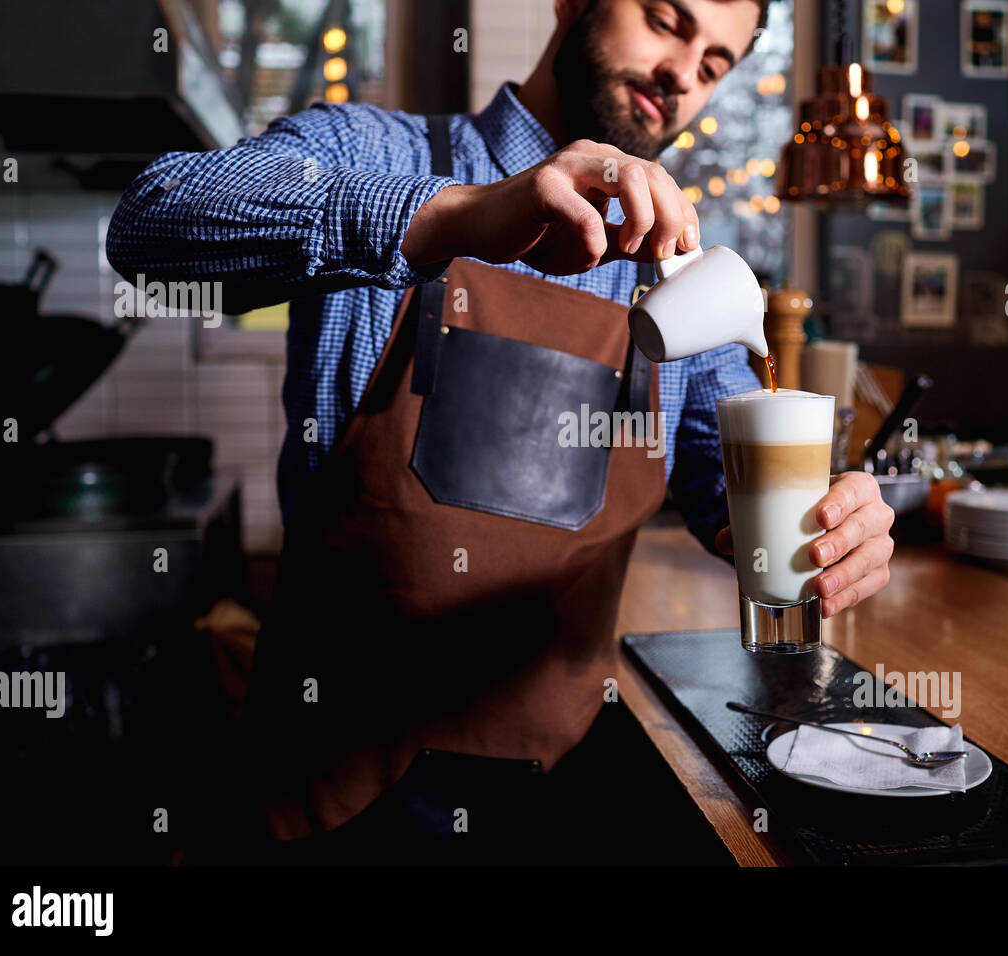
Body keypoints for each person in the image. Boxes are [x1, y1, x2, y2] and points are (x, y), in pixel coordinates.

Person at [107, 0, 895, 864]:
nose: (683, 73)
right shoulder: (377, 151)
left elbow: (734, 497)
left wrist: (833, 525)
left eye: (714, 65)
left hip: (560, 804)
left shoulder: (677, 277)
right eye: (668, 20)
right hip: (332, 804)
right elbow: (150, 224)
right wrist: (463, 215)